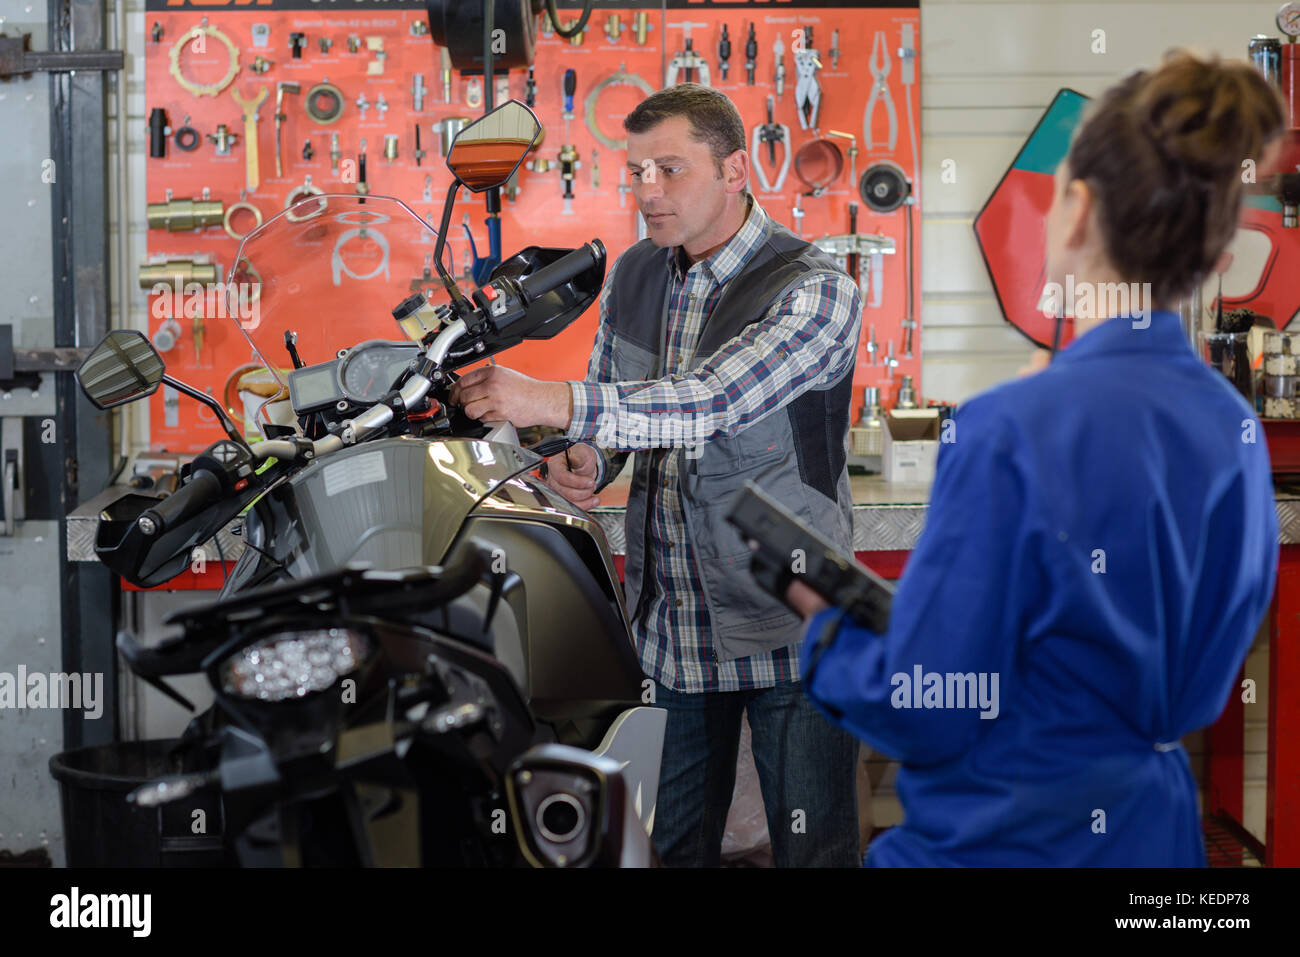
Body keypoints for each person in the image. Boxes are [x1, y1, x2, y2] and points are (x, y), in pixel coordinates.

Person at [785, 51, 1286, 867]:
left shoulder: (1007, 427)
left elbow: (929, 708)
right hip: (1157, 844)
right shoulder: (1230, 426)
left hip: (997, 843)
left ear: (1079, 210)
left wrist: (826, 628)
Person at [449, 84, 863, 867]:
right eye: (636, 172)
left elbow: (707, 403)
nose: (646, 192)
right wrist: (589, 455)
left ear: (736, 168)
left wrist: (545, 396)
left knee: (814, 853)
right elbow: (622, 401)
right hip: (673, 629)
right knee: (665, 849)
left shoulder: (815, 289)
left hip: (789, 627)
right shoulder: (639, 272)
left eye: (669, 170)